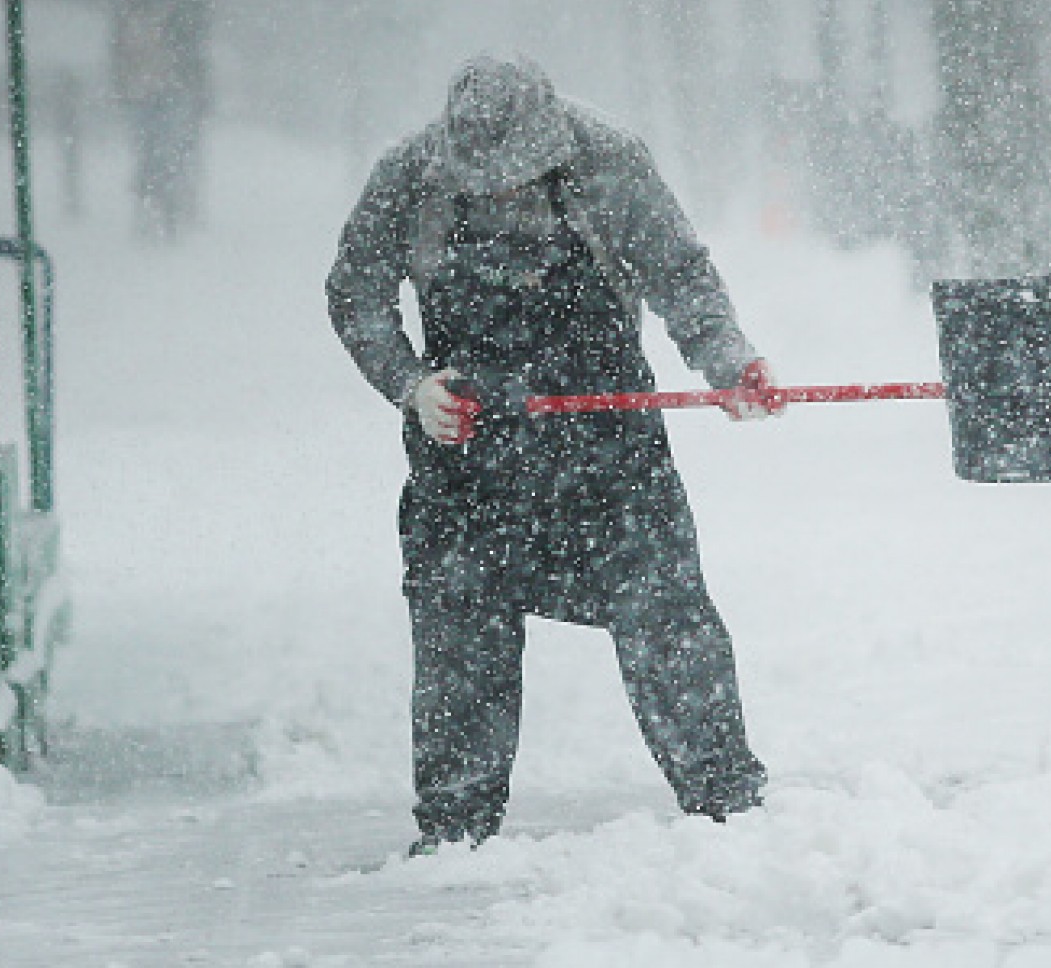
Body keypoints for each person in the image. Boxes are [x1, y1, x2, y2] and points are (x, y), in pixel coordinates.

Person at [327, 54, 782, 854]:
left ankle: (728, 811)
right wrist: (410, 385)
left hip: (608, 457)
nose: (503, 199)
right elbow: (355, 294)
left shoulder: (610, 159)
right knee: (459, 641)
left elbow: (680, 273)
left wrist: (728, 360)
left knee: (667, 619)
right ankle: (455, 832)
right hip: (466, 460)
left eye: (520, 183)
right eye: (485, 187)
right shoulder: (407, 175)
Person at [110, 0, 211, 241]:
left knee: (151, 149)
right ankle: (164, 204)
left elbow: (120, 48)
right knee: (167, 150)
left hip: (144, 88)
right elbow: (191, 50)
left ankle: (153, 203)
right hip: (166, 87)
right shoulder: (179, 5)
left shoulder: (133, 5)